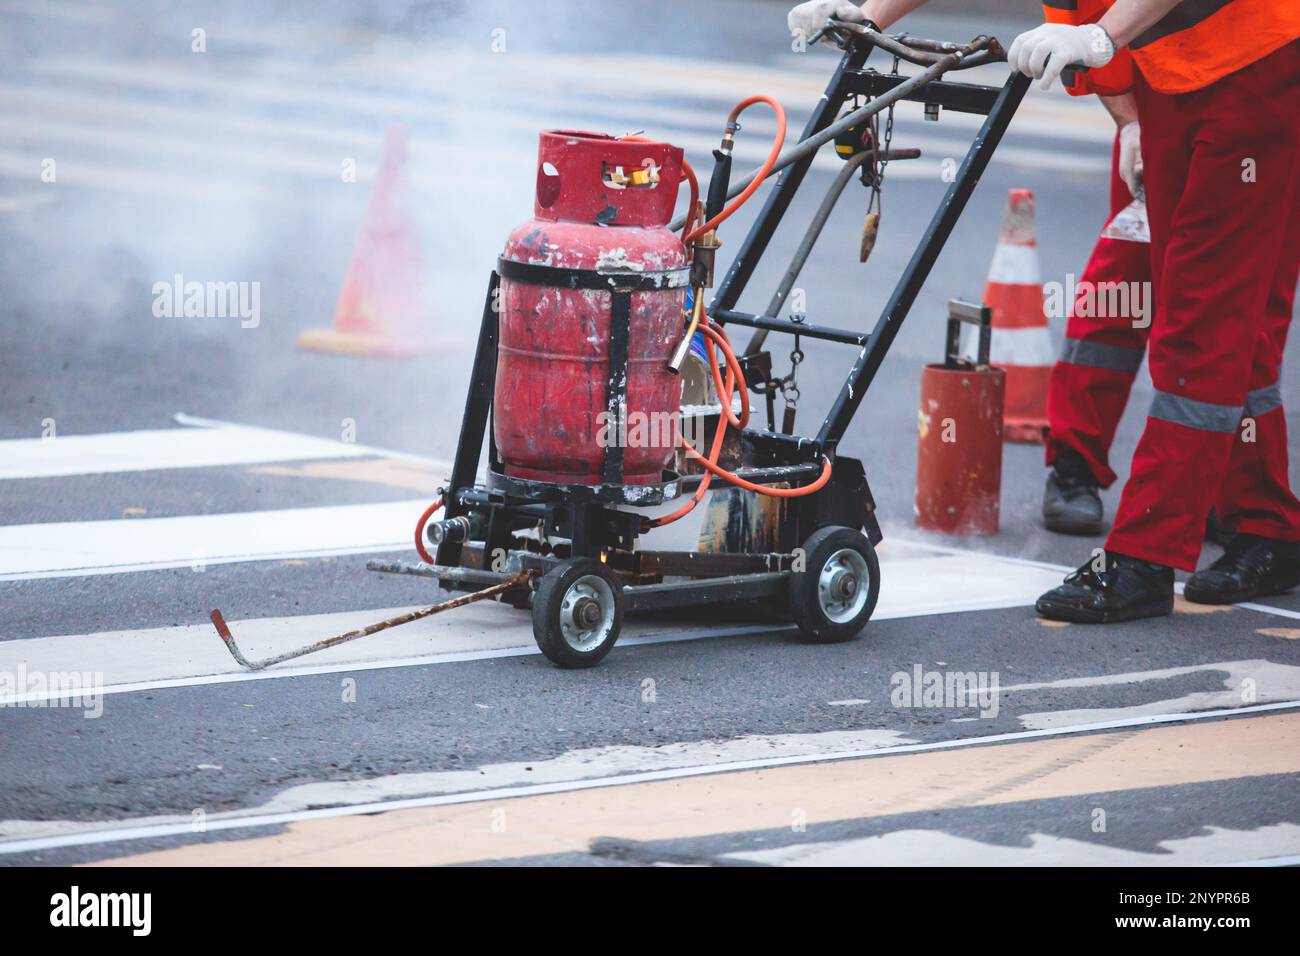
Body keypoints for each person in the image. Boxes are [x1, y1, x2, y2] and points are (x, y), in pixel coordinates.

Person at [787, 1, 1153, 538]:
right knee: (1122, 286)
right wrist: (867, 17)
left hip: (1236, 89)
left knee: (1221, 314)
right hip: (1153, 91)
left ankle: (1240, 497)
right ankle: (1077, 466)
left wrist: (1114, 80)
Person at [1010, 0, 1300, 621]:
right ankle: (1265, 523)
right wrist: (870, 15)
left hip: (1252, 68)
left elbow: (1097, 23)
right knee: (1222, 321)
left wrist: (1099, 35)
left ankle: (1145, 552)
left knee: (1200, 323)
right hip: (1170, 76)